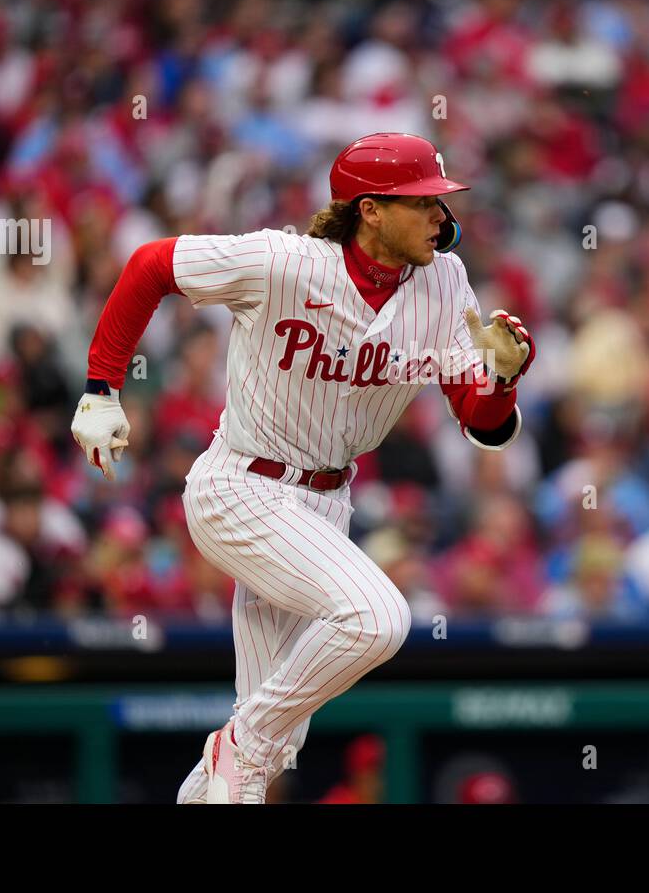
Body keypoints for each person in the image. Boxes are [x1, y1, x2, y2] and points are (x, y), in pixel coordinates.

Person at [70, 133, 536, 803]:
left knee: (262, 766)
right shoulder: (282, 262)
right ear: (370, 210)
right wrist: (101, 386)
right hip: (242, 486)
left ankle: (227, 767)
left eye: (441, 202)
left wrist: (500, 378)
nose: (441, 215)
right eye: (422, 202)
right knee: (376, 619)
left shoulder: (444, 282)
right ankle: (242, 742)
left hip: (324, 508)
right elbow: (151, 264)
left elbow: (480, 420)